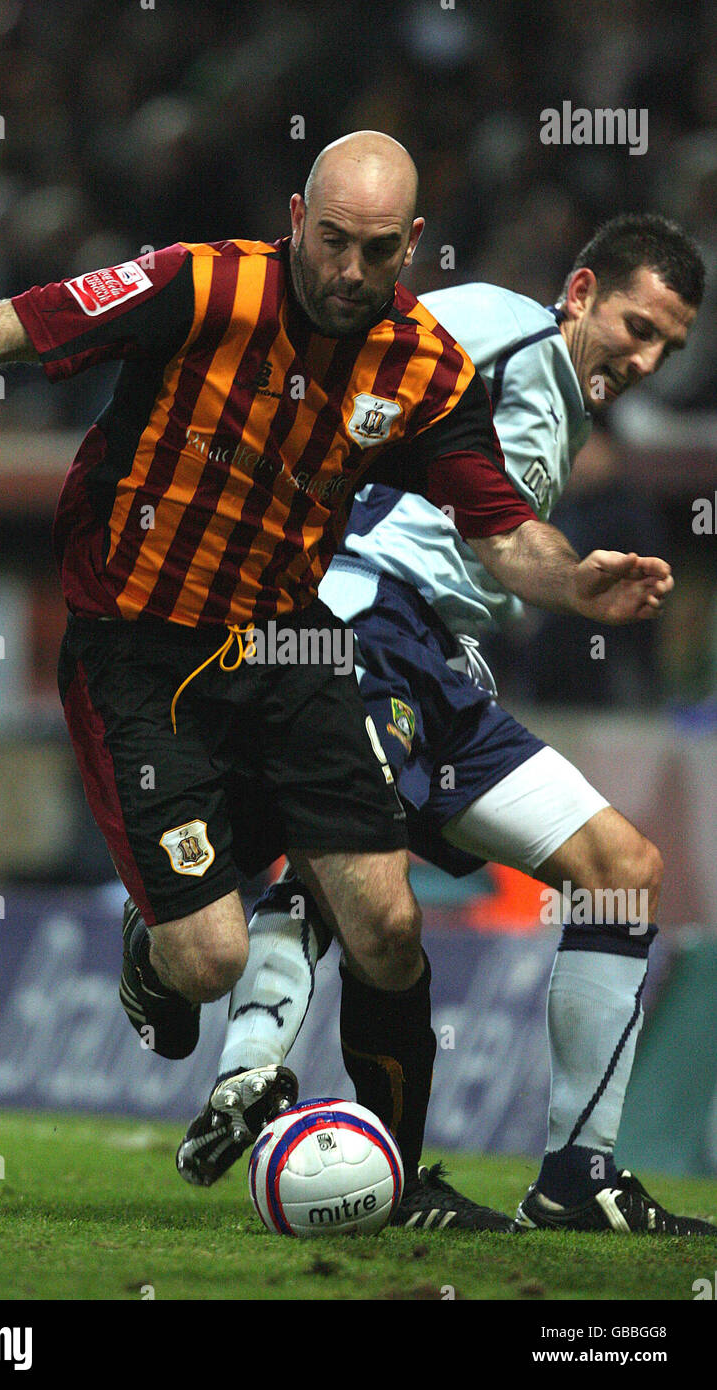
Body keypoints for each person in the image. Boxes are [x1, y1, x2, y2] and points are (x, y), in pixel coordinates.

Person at [0, 135, 671, 1231]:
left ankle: (394, 1183)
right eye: (332, 242)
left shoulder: (420, 364)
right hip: (138, 646)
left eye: (376, 252)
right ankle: (161, 960)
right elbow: (2, 329)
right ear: (296, 214)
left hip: (289, 642)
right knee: (207, 958)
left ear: (410, 246)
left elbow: (498, 530)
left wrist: (577, 582)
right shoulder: (203, 284)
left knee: (388, 924)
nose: (348, 273)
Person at [176, 213, 715, 1236]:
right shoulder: (495, 326)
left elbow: (493, 542)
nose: (643, 358)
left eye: (667, 348)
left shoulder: (562, 407)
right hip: (358, 625)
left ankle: (576, 1176)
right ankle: (248, 1063)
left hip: (444, 671)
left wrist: (571, 585)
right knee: (355, 879)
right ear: (581, 288)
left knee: (621, 867)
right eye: (635, 325)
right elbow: (352, 364)